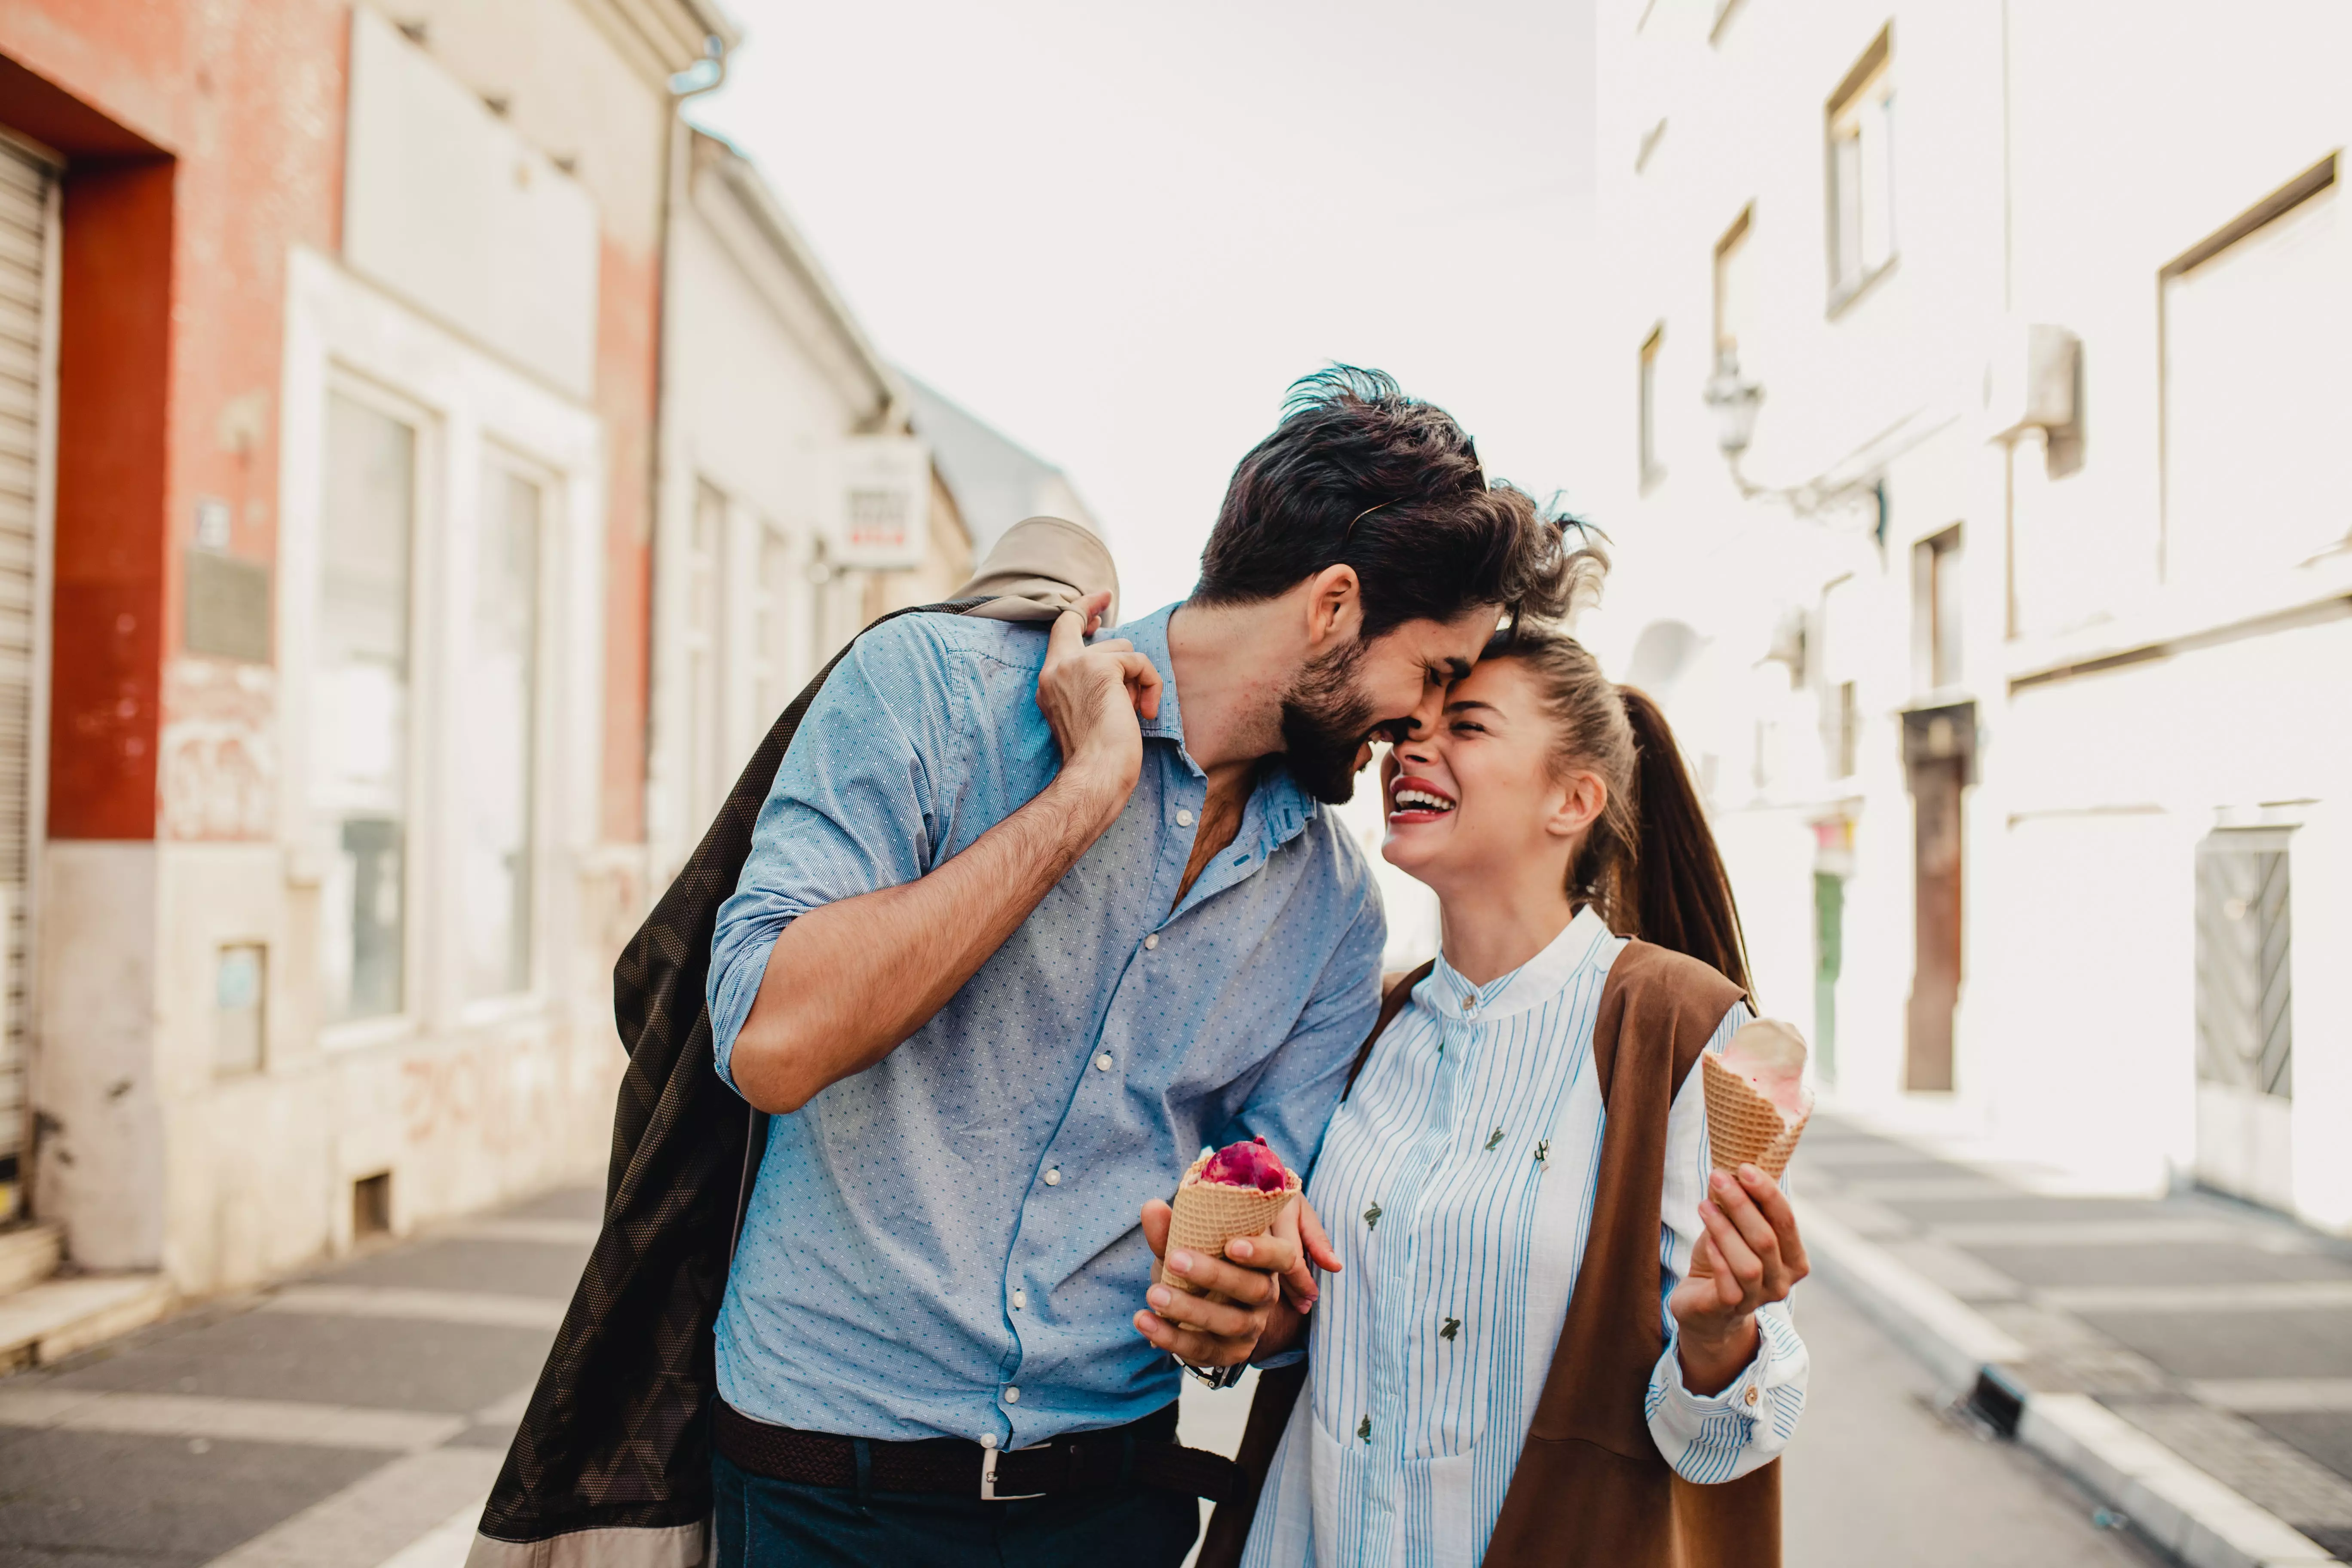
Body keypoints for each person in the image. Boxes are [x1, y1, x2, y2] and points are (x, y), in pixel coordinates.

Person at [703, 368, 1573, 1566]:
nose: (1418, 730)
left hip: (1111, 1507)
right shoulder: (930, 692)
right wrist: (1081, 801)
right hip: (826, 1491)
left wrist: (1242, 1309)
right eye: (1428, 674)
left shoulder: (1331, 917)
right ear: (1331, 608)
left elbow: (1263, 1266)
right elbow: (772, 1043)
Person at [1176, 551, 1810, 1568]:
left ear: (1573, 802)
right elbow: (1311, 1338)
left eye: (1465, 729)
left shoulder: (1676, 1028)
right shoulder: (1367, 1024)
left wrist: (1718, 1338)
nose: (1410, 753)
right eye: (1408, 731)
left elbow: (1722, 1445)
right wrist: (1240, 1306)